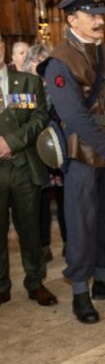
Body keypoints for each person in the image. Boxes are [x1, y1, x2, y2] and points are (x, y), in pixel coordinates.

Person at [43, 0, 105, 324]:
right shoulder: (59, 60)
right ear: (73, 20)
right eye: (93, 15)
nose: (101, 21)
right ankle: (80, 293)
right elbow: (74, 117)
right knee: (82, 223)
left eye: (102, 14)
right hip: (83, 152)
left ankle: (102, 279)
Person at [0, 32, 57, 307]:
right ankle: (1, 284)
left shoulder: (27, 82)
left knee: (31, 229)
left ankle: (35, 281)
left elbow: (39, 118)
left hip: (23, 166)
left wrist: (10, 142)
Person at [23, 44, 67, 262]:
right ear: (28, 63)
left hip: (59, 152)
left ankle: (69, 242)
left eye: (45, 58)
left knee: (65, 200)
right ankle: (43, 245)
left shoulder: (59, 86)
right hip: (35, 154)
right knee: (39, 204)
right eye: (36, 58)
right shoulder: (23, 89)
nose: (40, 62)